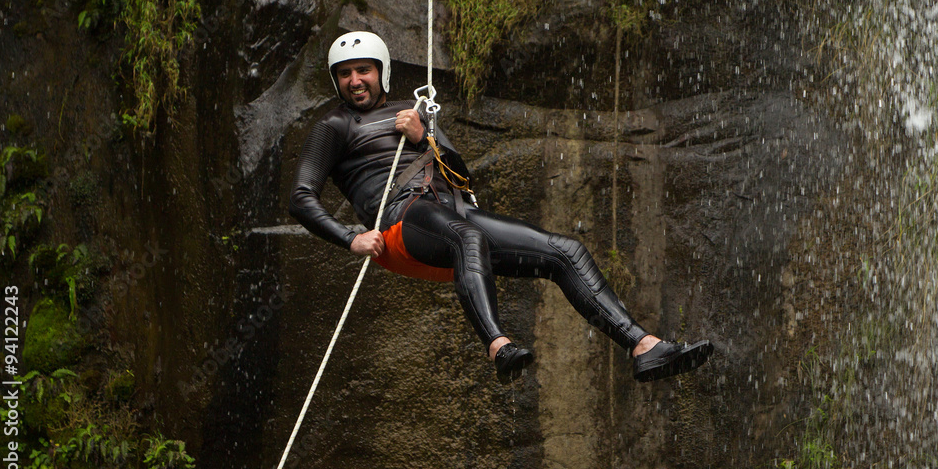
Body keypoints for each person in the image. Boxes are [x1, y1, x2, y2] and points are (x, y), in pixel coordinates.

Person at [289, 31, 713, 383]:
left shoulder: (413, 112)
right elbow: (301, 197)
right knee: (466, 235)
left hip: (452, 211)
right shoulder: (334, 126)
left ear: (381, 71)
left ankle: (644, 347)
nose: (355, 80)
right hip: (401, 224)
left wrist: (424, 137)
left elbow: (460, 174)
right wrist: (351, 237)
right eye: (344, 74)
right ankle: (498, 346)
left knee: (564, 251)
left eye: (363, 70)